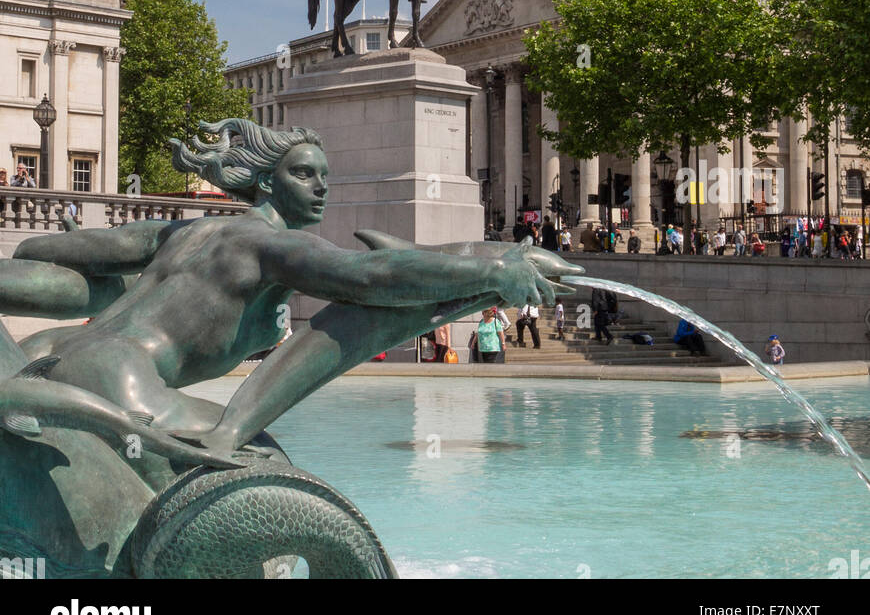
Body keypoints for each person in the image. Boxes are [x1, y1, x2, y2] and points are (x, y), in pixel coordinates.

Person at [3, 118, 568, 471]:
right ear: (267, 182)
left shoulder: (182, 231)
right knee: (268, 471)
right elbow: (371, 278)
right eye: (303, 174)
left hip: (47, 352)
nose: (320, 186)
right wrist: (497, 269)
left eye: (324, 175)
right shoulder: (275, 245)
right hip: (118, 374)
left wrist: (492, 260)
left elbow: (45, 254)